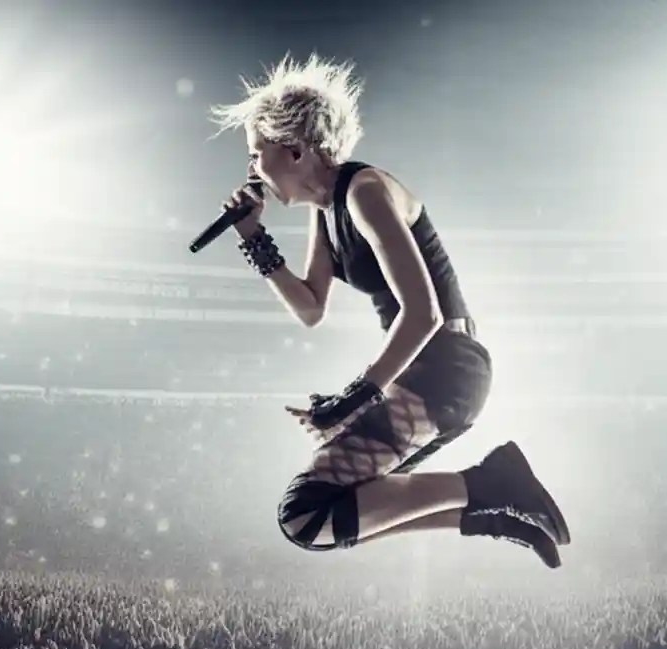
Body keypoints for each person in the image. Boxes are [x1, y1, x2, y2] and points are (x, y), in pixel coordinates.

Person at [209, 53, 570, 568]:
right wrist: (254, 239)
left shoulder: (365, 192)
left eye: (255, 152)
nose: (251, 169)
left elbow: (423, 313)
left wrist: (355, 398)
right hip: (432, 374)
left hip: (445, 365)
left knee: (303, 513)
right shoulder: (325, 212)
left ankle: (492, 483)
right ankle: (487, 512)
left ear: (293, 149)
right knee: (325, 520)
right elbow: (310, 308)